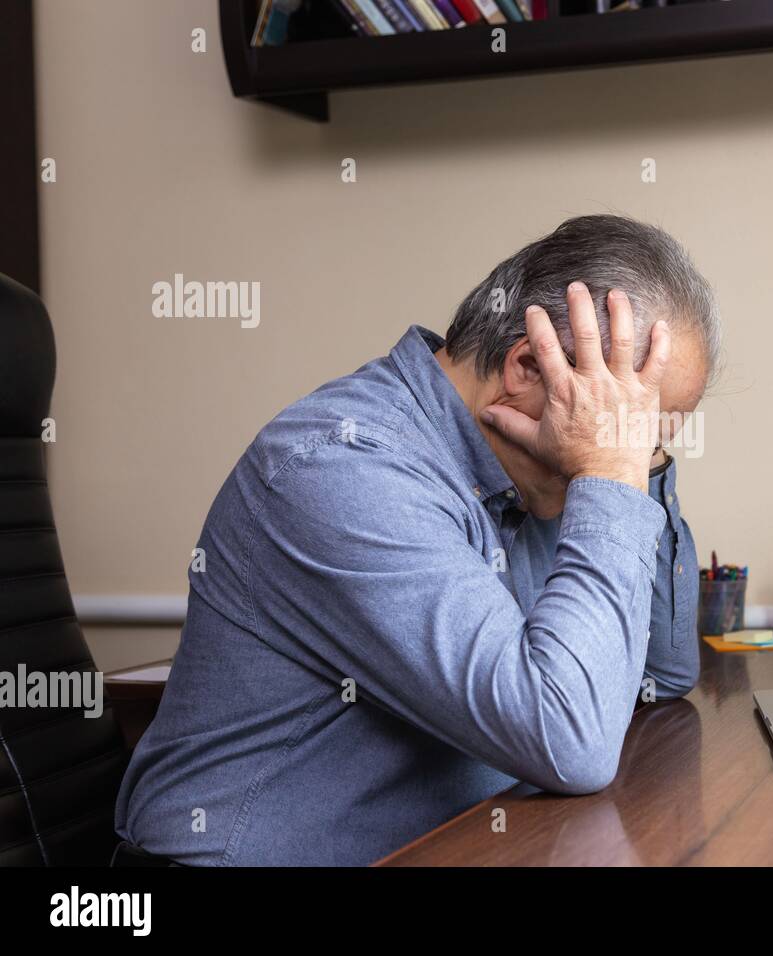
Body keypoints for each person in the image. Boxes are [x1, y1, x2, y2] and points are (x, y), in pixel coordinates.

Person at [114, 215, 719, 865]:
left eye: (647, 435)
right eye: (630, 422)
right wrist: (609, 472)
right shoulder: (340, 470)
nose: (634, 450)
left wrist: (633, 468)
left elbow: (662, 671)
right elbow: (572, 742)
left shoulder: (546, 472)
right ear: (526, 365)